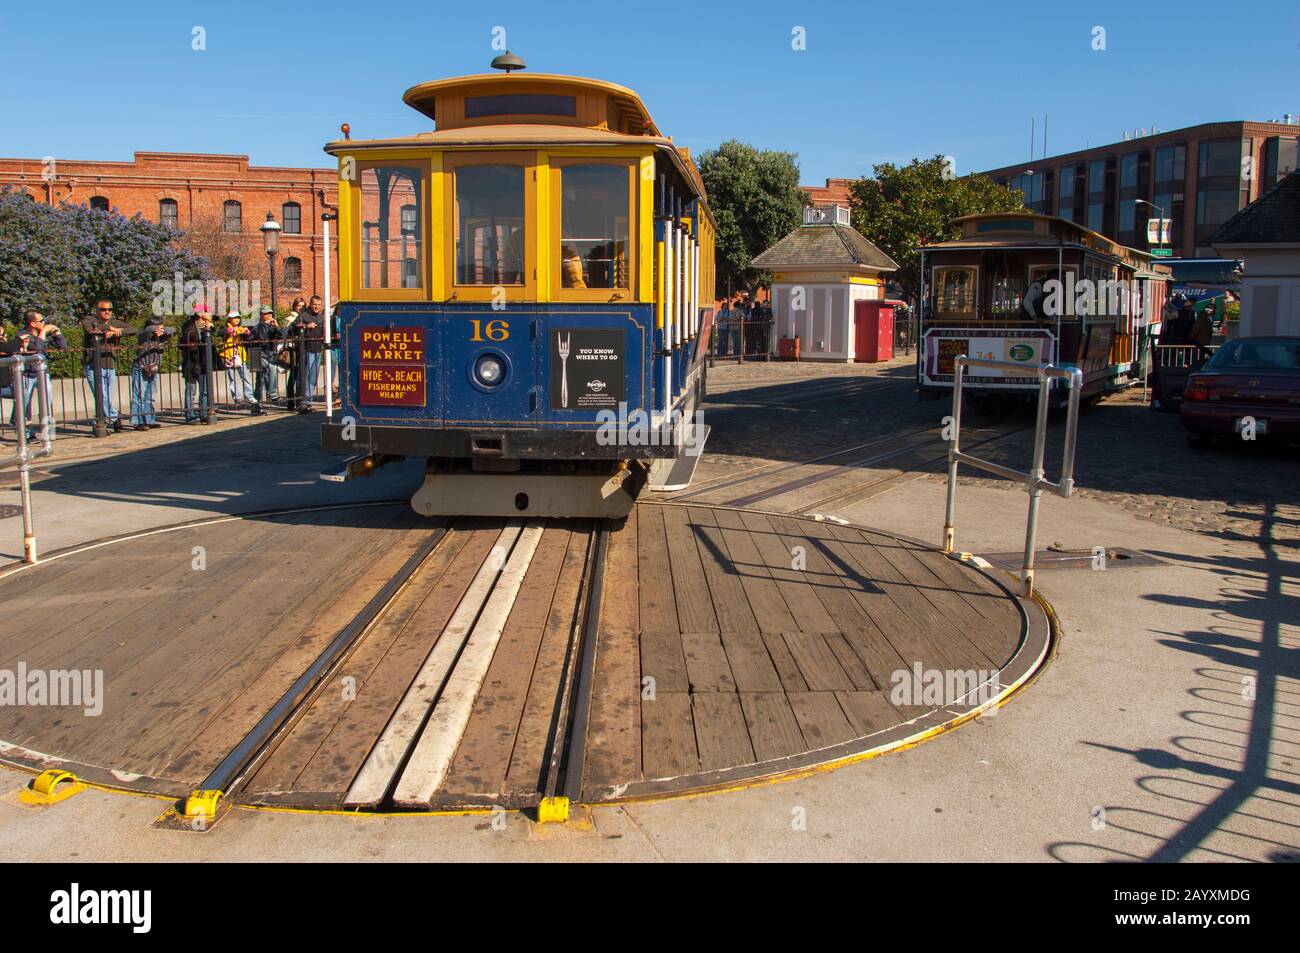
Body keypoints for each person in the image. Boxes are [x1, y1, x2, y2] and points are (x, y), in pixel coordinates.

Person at [10, 311, 67, 441]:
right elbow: (37, 350)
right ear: (33, 323)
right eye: (42, 321)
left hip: (43, 373)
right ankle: (26, 434)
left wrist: (58, 333)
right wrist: (43, 332)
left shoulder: (45, 334)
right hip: (26, 374)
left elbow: (63, 347)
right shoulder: (22, 334)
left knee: (47, 403)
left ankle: (48, 433)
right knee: (24, 405)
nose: (44, 323)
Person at [81, 299, 127, 432]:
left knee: (107, 396)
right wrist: (109, 328)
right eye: (103, 309)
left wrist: (119, 331)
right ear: (97, 310)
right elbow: (90, 329)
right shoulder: (89, 319)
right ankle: (114, 417)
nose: (107, 312)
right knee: (101, 395)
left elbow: (133, 328)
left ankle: (104, 422)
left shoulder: (115, 322)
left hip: (109, 363)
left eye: (109, 309)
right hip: (93, 364)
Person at [131, 313, 169, 430]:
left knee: (150, 396)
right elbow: (144, 332)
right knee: (139, 396)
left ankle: (149, 419)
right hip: (141, 367)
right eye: (159, 326)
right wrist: (153, 329)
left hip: (153, 368)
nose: (161, 329)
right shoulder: (144, 336)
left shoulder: (161, 337)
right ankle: (137, 421)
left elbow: (173, 329)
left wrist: (163, 331)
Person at [180, 304, 214, 423]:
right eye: (207, 313)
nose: (210, 315)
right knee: (191, 390)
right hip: (191, 363)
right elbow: (191, 345)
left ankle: (204, 412)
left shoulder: (206, 328)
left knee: (204, 390)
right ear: (200, 315)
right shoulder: (189, 327)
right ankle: (190, 415)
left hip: (203, 363)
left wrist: (208, 331)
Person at [294, 295, 326, 414]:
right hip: (306, 349)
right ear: (310, 304)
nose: (316, 307)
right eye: (314, 304)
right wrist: (307, 327)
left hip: (318, 349)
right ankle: (302, 401)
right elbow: (295, 329)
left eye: (318, 304)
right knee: (304, 376)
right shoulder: (303, 316)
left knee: (313, 377)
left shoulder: (321, 317)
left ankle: (309, 401)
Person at [248, 305, 281, 415]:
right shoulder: (257, 325)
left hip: (270, 354)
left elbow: (281, 336)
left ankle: (265, 398)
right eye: (266, 313)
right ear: (261, 315)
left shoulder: (272, 326)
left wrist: (276, 327)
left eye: (270, 313)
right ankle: (267, 397)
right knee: (261, 379)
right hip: (259, 354)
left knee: (265, 375)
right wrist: (265, 325)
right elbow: (260, 338)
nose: (269, 315)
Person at [220, 310, 253, 406]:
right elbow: (220, 332)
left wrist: (247, 333)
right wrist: (229, 331)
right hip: (229, 356)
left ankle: (249, 396)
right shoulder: (226, 329)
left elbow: (248, 338)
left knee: (245, 377)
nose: (237, 319)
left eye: (238, 318)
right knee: (233, 378)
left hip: (240, 356)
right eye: (235, 318)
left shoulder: (241, 329)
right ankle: (237, 398)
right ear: (229, 319)